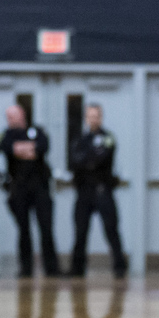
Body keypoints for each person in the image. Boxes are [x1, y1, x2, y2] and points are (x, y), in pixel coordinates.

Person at [0, 104, 60, 277]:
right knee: (23, 230)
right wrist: (27, 149)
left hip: (40, 188)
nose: (10, 120)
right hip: (19, 189)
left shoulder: (37, 131)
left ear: (22, 115)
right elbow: (7, 149)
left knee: (46, 229)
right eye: (8, 117)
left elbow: (41, 148)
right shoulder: (7, 135)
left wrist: (20, 150)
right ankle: (26, 269)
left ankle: (51, 268)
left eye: (13, 116)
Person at [69, 104, 126, 278]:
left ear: (101, 117)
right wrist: (89, 159)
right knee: (80, 231)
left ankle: (119, 266)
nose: (93, 119)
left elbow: (100, 158)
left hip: (102, 190)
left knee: (111, 229)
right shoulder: (80, 139)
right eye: (90, 116)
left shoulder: (108, 138)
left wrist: (86, 160)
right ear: (86, 118)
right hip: (84, 191)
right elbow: (74, 162)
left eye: (96, 116)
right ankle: (77, 268)